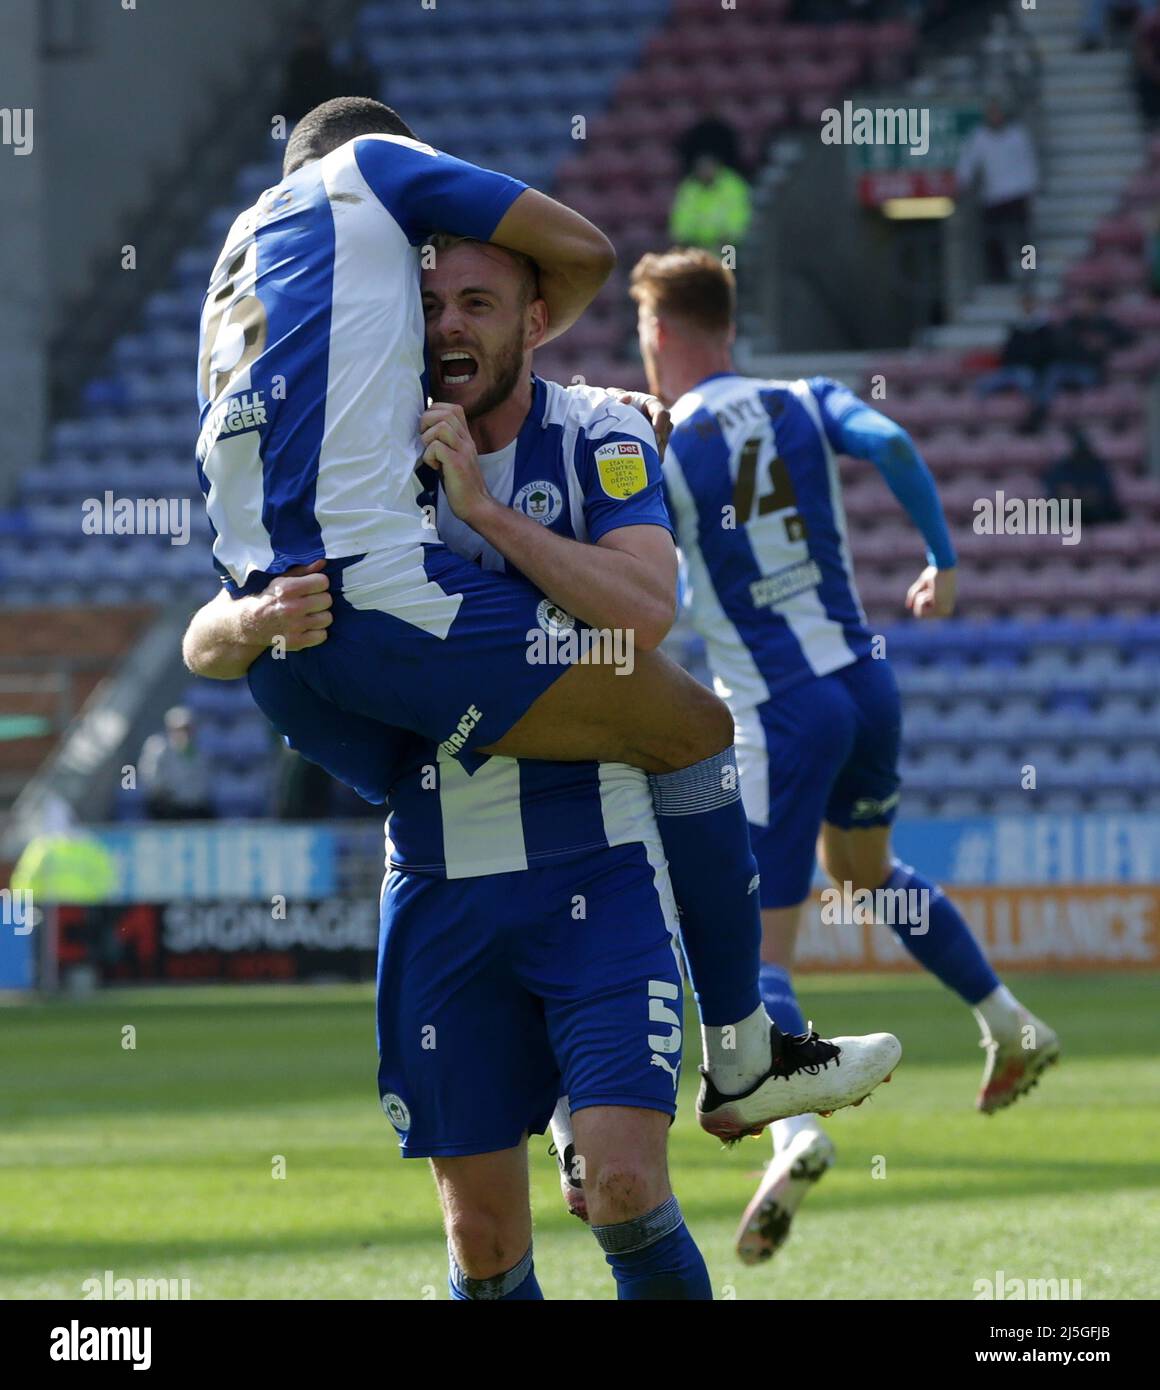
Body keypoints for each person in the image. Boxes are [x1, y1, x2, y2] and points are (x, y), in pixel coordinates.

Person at [194, 96, 899, 1147]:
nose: (441, 324)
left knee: (516, 1229)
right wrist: (519, 337)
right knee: (692, 730)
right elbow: (586, 248)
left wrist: (258, 614)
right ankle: (742, 1050)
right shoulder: (374, 185)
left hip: (310, 672)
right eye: (432, 300)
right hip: (392, 639)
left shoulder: (253, 282)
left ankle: (597, 1080)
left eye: (477, 302)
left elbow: (644, 607)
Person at [629, 247, 1060, 1265]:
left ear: (656, 336)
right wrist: (940, 562)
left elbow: (653, 591)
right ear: (726, 322)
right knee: (861, 872)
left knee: (752, 943)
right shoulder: (806, 396)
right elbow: (897, 444)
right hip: (866, 685)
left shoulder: (660, 439)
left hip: (780, 709)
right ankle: (1007, 1023)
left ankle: (793, 1126)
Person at [955, 99, 1038, 283]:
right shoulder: (979, 138)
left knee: (1023, 235)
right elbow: (967, 164)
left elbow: (1028, 162)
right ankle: (999, 274)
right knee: (993, 237)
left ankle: (1028, 268)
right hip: (993, 195)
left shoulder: (1017, 135)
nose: (995, 117)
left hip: (1017, 192)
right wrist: (962, 185)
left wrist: (1030, 187)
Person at [974, 290, 1055, 404]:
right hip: (1009, 369)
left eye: (1030, 303)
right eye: (1024, 303)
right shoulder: (1015, 327)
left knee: (1028, 386)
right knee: (983, 384)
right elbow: (1007, 351)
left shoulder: (1043, 328)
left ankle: (1028, 414)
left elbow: (1045, 353)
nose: (1027, 306)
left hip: (1030, 371)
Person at [137, 706, 214, 820]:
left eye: (187, 728)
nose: (184, 733)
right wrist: (164, 794)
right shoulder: (157, 747)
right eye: (180, 729)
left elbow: (203, 781)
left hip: (194, 808)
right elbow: (149, 777)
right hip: (167, 807)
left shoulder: (197, 750)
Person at [668, 154, 752, 255]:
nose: (705, 172)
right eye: (702, 169)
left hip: (727, 245)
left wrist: (729, 236)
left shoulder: (732, 186)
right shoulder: (690, 188)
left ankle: (729, 269)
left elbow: (738, 214)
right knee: (693, 267)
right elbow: (681, 218)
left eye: (708, 168)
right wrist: (683, 236)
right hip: (696, 245)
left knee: (728, 264)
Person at [1043, 425, 1125, 524]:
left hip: (1096, 516)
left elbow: (1107, 496)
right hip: (1066, 516)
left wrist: (1090, 496)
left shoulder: (1099, 468)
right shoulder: (1061, 468)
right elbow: (1054, 491)